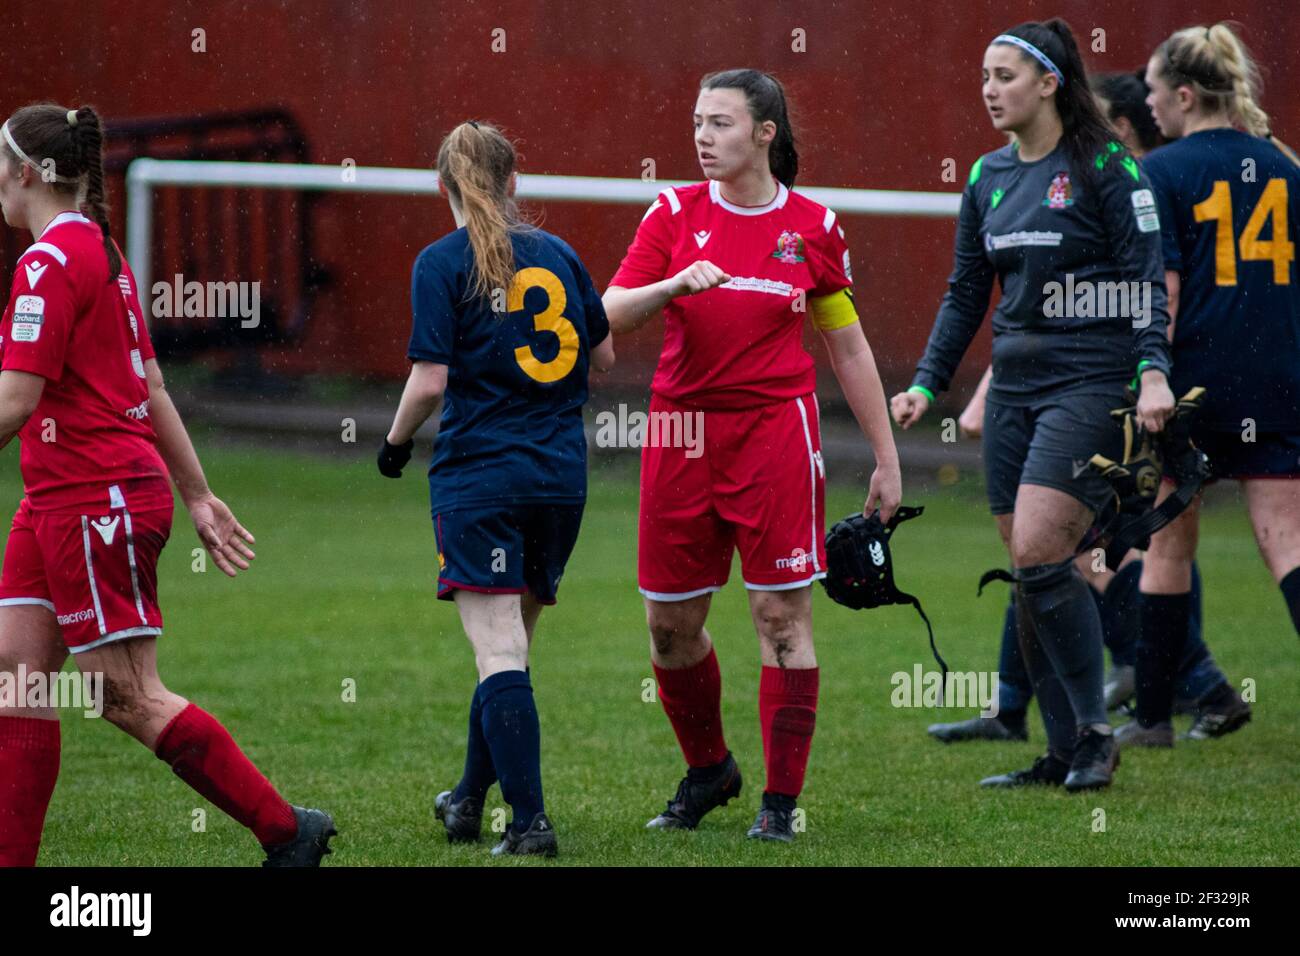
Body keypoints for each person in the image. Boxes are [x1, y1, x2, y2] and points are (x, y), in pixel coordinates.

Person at [0, 103, 333, 867]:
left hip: (96, 495)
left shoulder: (50, 262)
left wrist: (192, 491)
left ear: (24, 173)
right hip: (58, 497)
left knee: (125, 695)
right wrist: (197, 493)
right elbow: (148, 383)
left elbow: (18, 400)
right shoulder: (102, 255)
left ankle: (288, 831)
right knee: (19, 679)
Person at [603, 69, 901, 842]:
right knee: (669, 627)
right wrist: (671, 284)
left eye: (722, 123)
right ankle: (710, 770)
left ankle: (778, 804)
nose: (703, 137)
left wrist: (887, 457)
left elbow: (848, 346)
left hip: (775, 430)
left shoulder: (812, 226)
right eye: (698, 121)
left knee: (780, 615)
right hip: (679, 432)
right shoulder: (672, 212)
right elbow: (609, 316)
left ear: (765, 133)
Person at [891, 20, 1176, 792]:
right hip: (1014, 391)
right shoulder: (986, 177)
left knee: (1041, 550)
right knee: (1033, 571)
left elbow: (1149, 278)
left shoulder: (1108, 166)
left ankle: (1093, 735)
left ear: (1050, 83)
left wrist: (1153, 372)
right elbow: (963, 295)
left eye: (1006, 75)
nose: (989, 89)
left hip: (1091, 385)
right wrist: (926, 382)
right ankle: (1059, 751)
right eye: (984, 75)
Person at [930, 69, 1244, 746]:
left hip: (1118, 390)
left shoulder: (1117, 181)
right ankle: (1021, 708)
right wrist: (978, 388)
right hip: (1080, 387)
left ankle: (1184, 682)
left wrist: (1150, 378)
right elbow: (1029, 305)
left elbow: (1142, 296)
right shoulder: (1017, 180)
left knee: (1077, 555)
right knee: (1045, 555)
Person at [379, 120, 614, 857]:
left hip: (482, 475)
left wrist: (391, 446)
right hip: (558, 479)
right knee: (509, 650)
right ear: (514, 183)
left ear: (441, 187)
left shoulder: (440, 262)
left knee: (498, 653)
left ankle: (530, 823)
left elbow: (429, 382)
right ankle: (470, 799)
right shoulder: (562, 254)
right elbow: (602, 356)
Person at [1115, 23, 1300, 747]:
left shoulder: (1162, 171)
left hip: (1193, 382)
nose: (1149, 105)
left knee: (1168, 547)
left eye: (1156, 91)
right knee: (1286, 546)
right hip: (1280, 377)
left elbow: (1160, 289)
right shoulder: (1283, 166)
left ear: (1186, 94)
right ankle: (1162, 714)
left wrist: (1150, 372)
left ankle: (1153, 719)